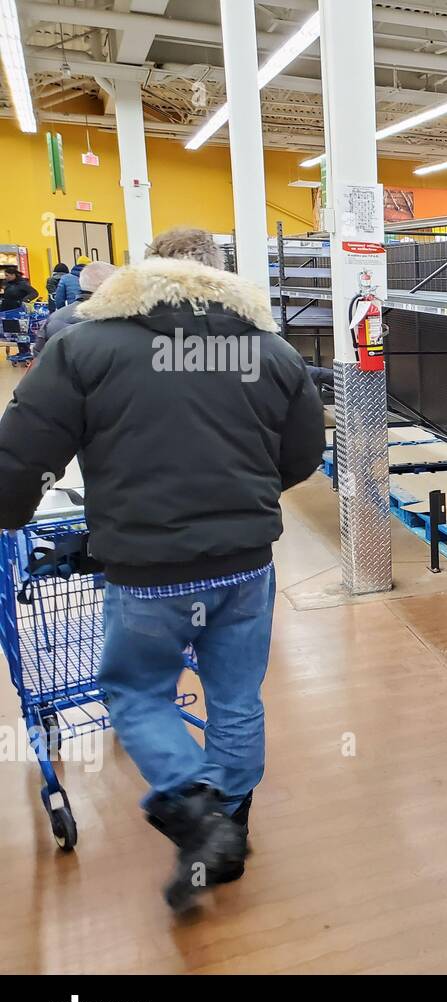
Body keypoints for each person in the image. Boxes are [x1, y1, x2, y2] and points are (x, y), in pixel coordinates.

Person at [0, 227, 325, 912]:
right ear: (220, 275)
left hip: (147, 571)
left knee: (139, 691)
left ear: (151, 270)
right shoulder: (268, 351)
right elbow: (301, 455)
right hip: (243, 567)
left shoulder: (84, 347)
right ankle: (229, 827)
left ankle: (192, 809)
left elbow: (23, 451)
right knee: (236, 699)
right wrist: (243, 496)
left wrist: (13, 510)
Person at [32, 260, 115, 358]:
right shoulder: (118, 318)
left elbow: (39, 355)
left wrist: (60, 309)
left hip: (60, 371)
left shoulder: (54, 319)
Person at [1, 264, 39, 361]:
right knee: (15, 333)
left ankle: (25, 351)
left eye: (7, 275)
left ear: (14, 275)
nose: (6, 277)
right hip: (9, 312)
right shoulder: (9, 284)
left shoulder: (23, 284)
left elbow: (34, 293)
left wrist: (24, 301)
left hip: (18, 312)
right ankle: (21, 351)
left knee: (21, 332)